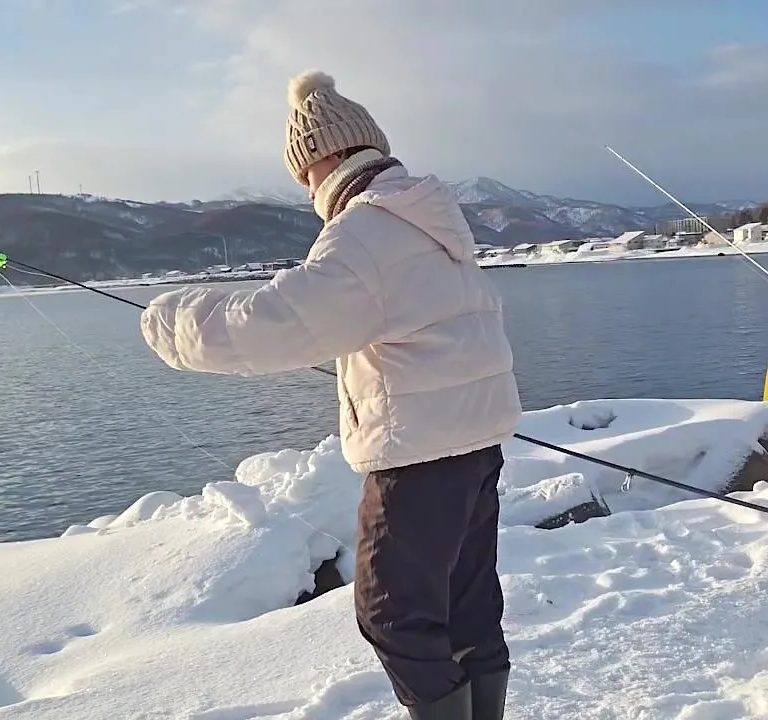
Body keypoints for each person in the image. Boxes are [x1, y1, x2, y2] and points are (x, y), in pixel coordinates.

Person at [139, 69, 522, 720]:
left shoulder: (364, 231)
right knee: (467, 609)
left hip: (420, 456)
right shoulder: (426, 217)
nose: (306, 189)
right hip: (475, 444)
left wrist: (170, 323)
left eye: (303, 174)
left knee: (392, 615)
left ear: (323, 158)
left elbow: (277, 324)